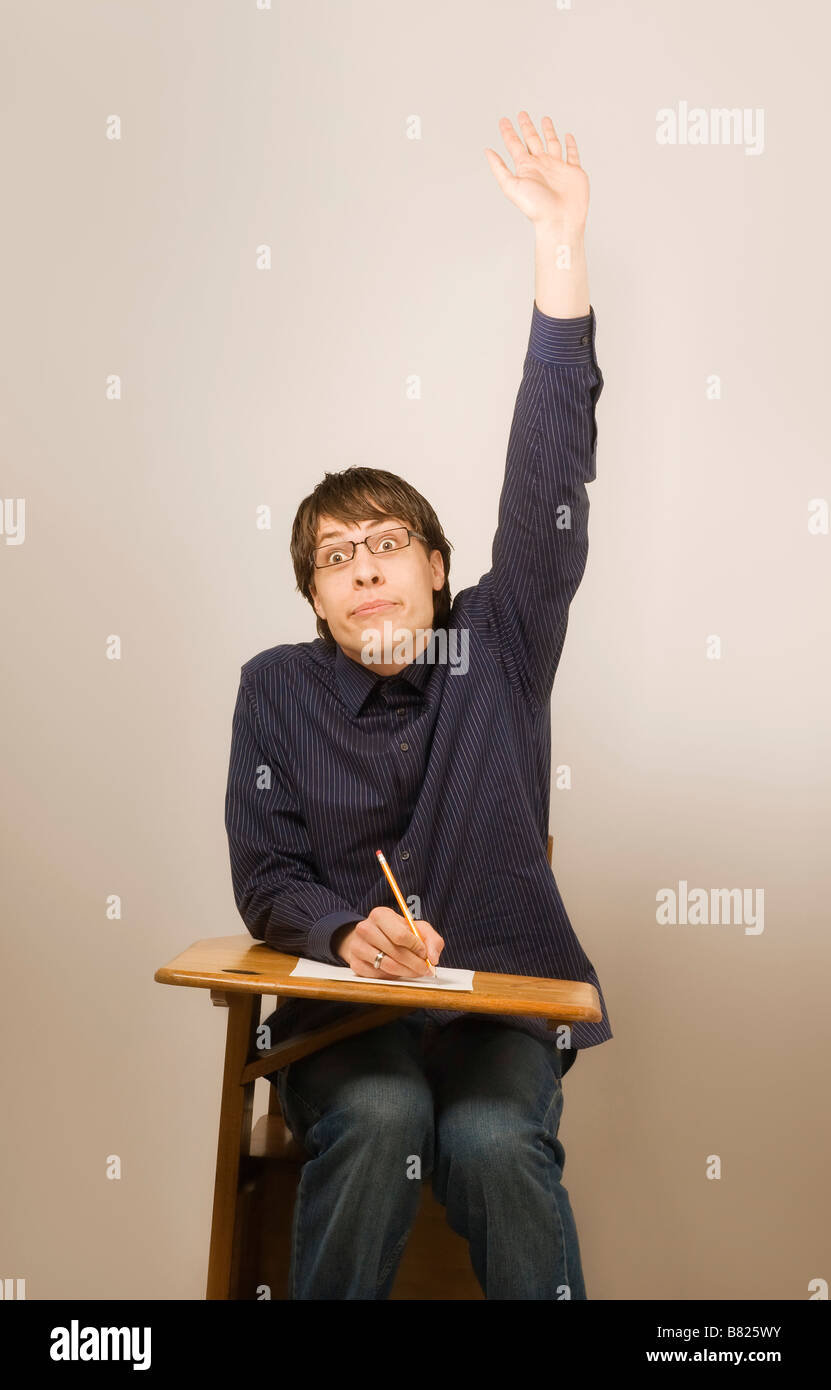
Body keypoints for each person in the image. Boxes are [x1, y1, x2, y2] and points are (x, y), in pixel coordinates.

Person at [224, 110, 612, 1299]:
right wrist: (346, 932)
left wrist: (560, 253)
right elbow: (266, 874)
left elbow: (549, 471)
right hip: (347, 1018)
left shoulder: (497, 643)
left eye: (390, 544)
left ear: (438, 567)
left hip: (500, 1009)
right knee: (386, 1106)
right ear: (316, 597)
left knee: (491, 1135)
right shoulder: (275, 689)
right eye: (338, 558)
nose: (368, 567)